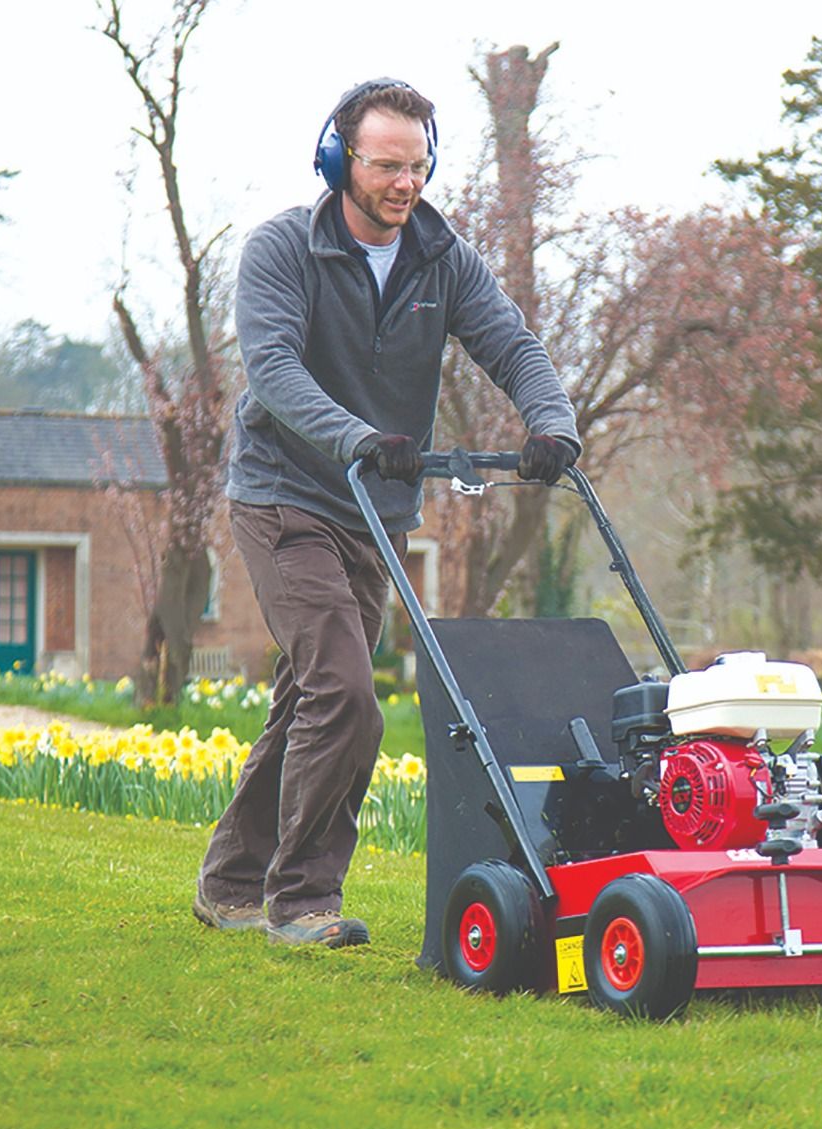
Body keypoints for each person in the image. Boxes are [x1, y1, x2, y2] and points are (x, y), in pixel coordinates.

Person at [193, 78, 581, 948]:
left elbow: (511, 345)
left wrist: (551, 423)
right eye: (385, 165)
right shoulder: (282, 250)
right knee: (346, 694)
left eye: (418, 165)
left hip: (376, 510)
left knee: (309, 698)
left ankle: (225, 884)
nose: (405, 184)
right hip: (284, 494)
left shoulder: (442, 259)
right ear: (338, 160)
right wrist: (362, 436)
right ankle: (301, 902)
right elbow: (276, 373)